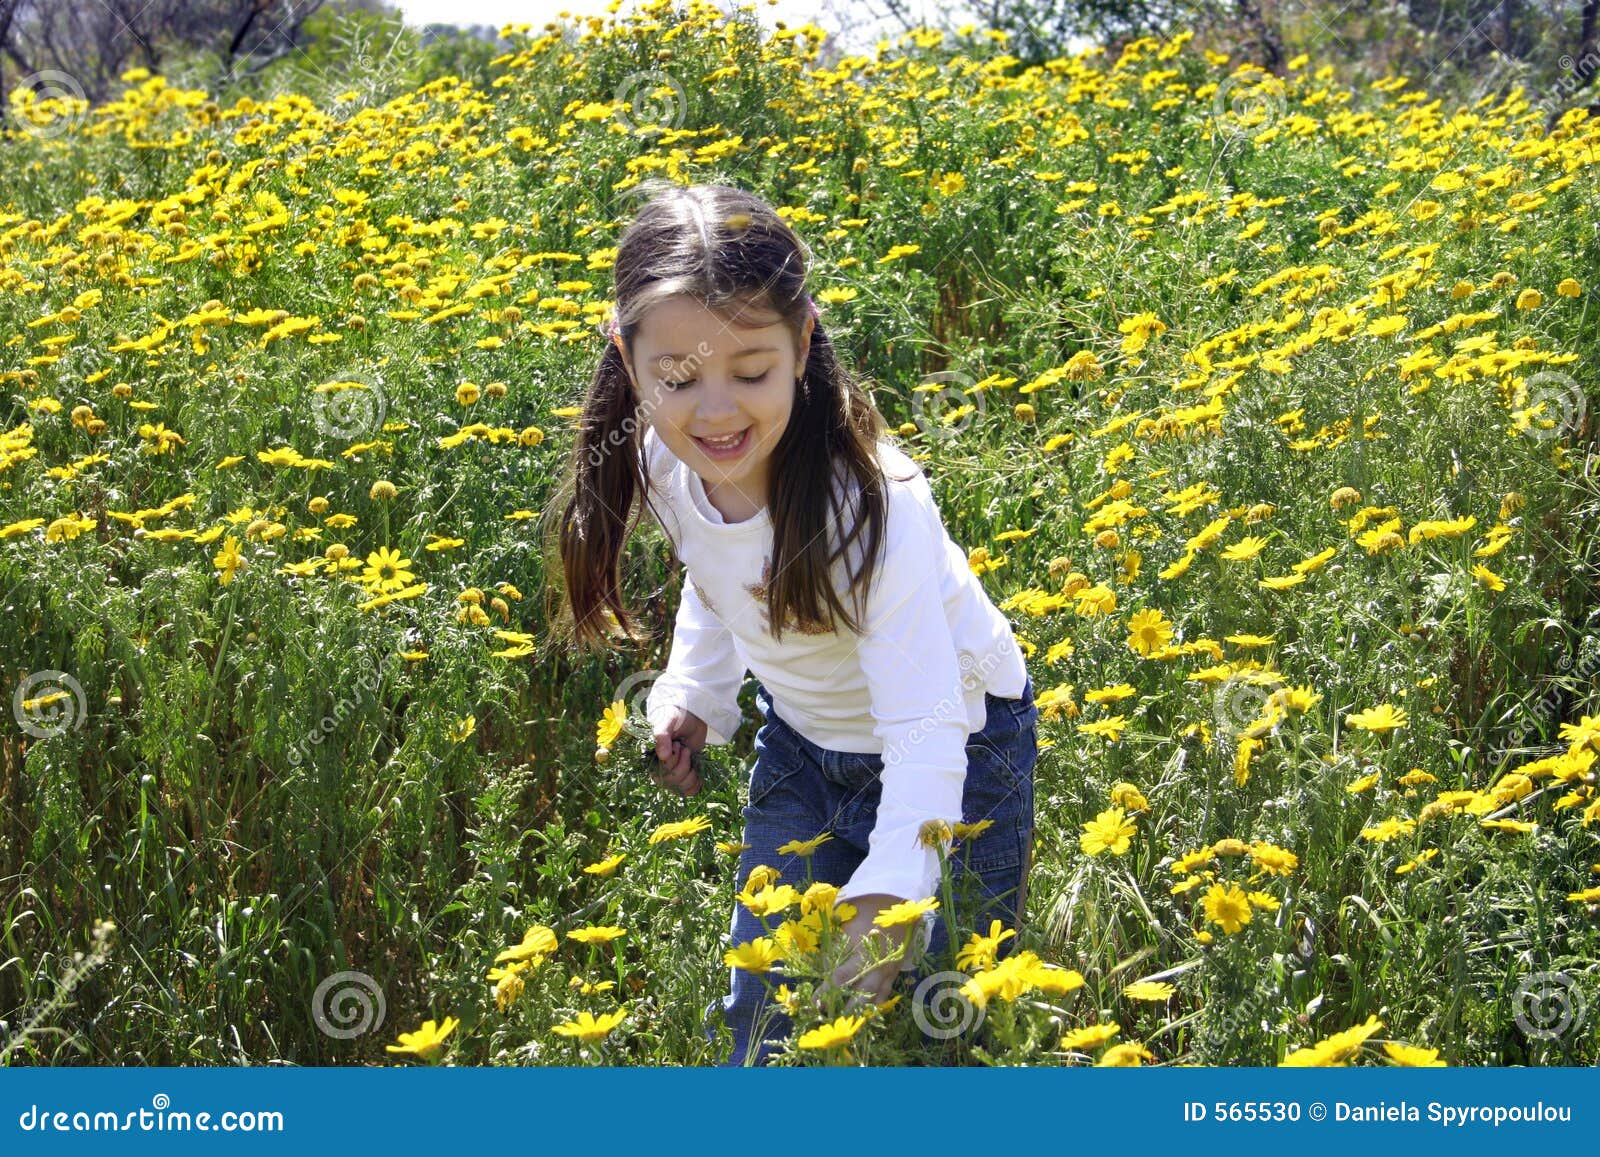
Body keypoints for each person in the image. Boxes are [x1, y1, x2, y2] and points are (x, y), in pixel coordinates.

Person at [553, 179, 1039, 1065]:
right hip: (803, 744)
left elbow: (928, 730)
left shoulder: (875, 507)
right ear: (628, 361)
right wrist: (696, 693)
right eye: (677, 378)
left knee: (946, 1014)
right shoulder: (665, 457)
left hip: (966, 749)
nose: (716, 412)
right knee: (766, 1009)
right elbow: (719, 574)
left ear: (803, 341)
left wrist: (891, 895)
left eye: (750, 373)